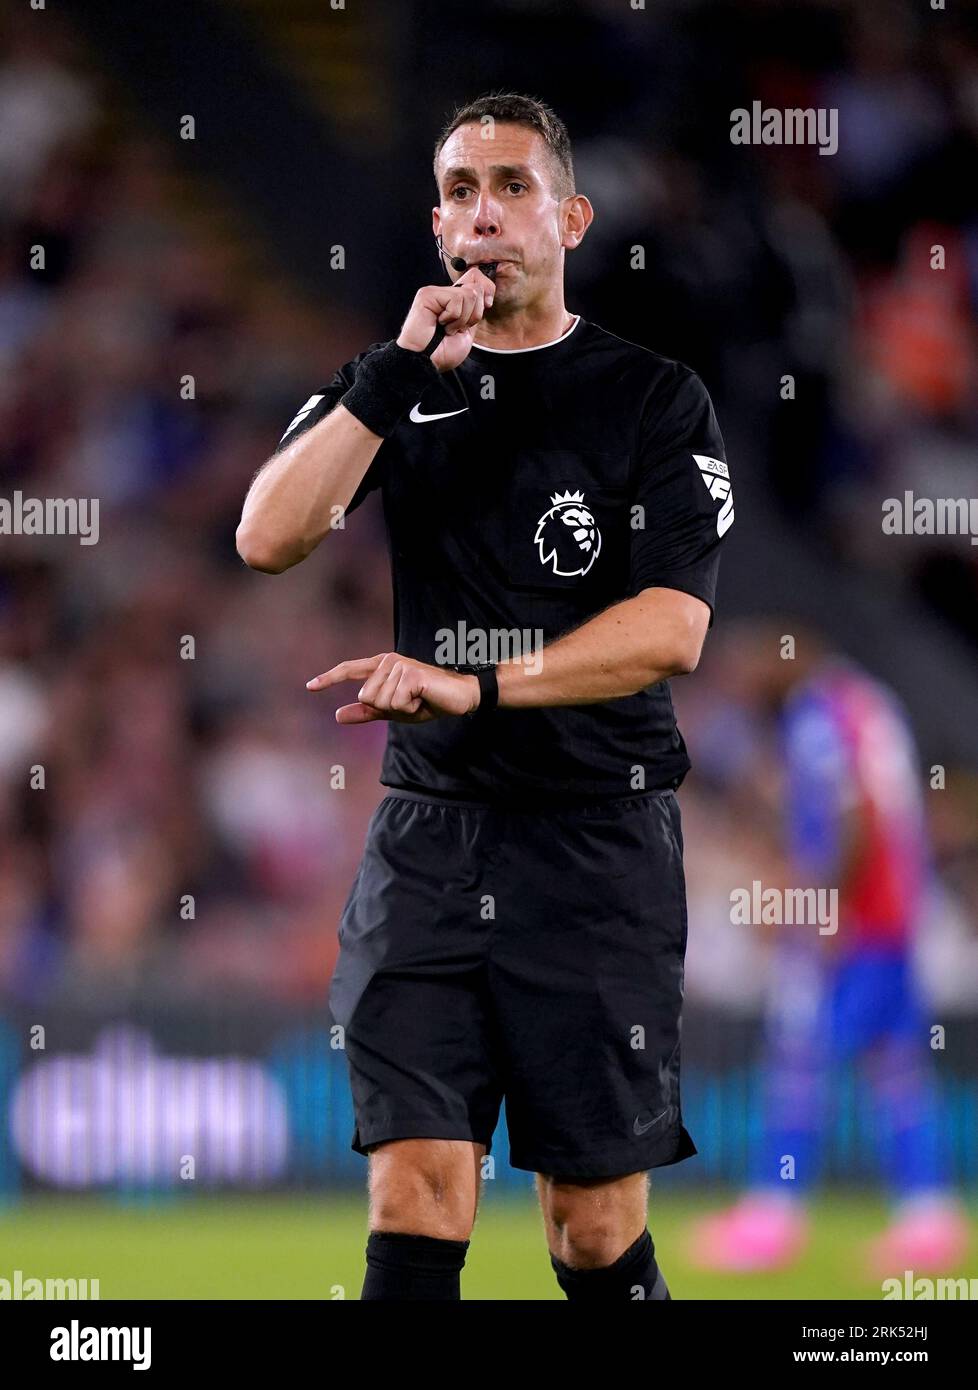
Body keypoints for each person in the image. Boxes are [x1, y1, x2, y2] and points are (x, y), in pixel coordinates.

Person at [237, 91, 734, 1301]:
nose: (485, 213)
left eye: (512, 187)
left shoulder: (653, 399)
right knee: (415, 1191)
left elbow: (673, 630)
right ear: (437, 225)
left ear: (569, 217)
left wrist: (479, 684)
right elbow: (265, 536)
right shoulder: (394, 384)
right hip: (432, 844)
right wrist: (395, 370)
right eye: (461, 190)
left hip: (596, 842)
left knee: (592, 1229)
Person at [688, 623, 969, 1276]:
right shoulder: (866, 702)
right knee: (898, 1071)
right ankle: (929, 1219)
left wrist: (825, 907)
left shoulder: (819, 715)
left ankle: (770, 1218)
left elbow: (854, 814)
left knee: (798, 1060)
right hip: (901, 916)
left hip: (859, 921)